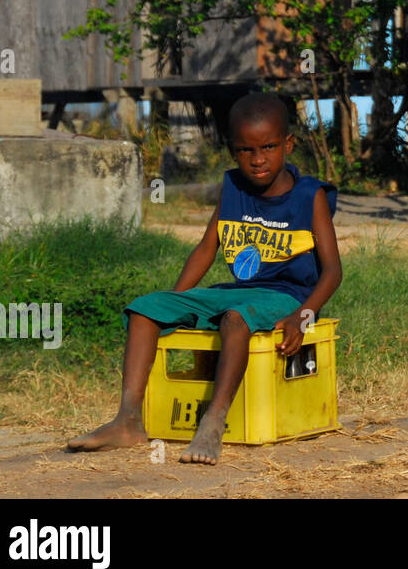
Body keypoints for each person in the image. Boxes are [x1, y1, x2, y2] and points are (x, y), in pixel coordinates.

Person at [67, 92, 342, 465]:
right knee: (145, 309)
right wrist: (176, 303)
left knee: (237, 318)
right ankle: (128, 420)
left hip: (286, 297)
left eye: (269, 147)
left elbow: (332, 271)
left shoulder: (310, 196)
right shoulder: (233, 188)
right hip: (236, 292)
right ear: (233, 151)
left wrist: (304, 315)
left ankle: (213, 422)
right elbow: (205, 248)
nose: (257, 159)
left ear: (288, 144)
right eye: (246, 150)